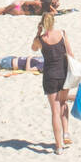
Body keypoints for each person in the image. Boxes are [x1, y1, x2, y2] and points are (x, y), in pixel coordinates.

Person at [32, 12, 75, 154]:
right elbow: (70, 54)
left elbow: (33, 48)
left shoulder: (41, 39)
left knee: (55, 111)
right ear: (53, 22)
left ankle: (59, 146)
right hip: (63, 74)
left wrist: (38, 33)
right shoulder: (62, 34)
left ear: (42, 24)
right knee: (63, 104)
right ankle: (66, 132)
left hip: (50, 76)